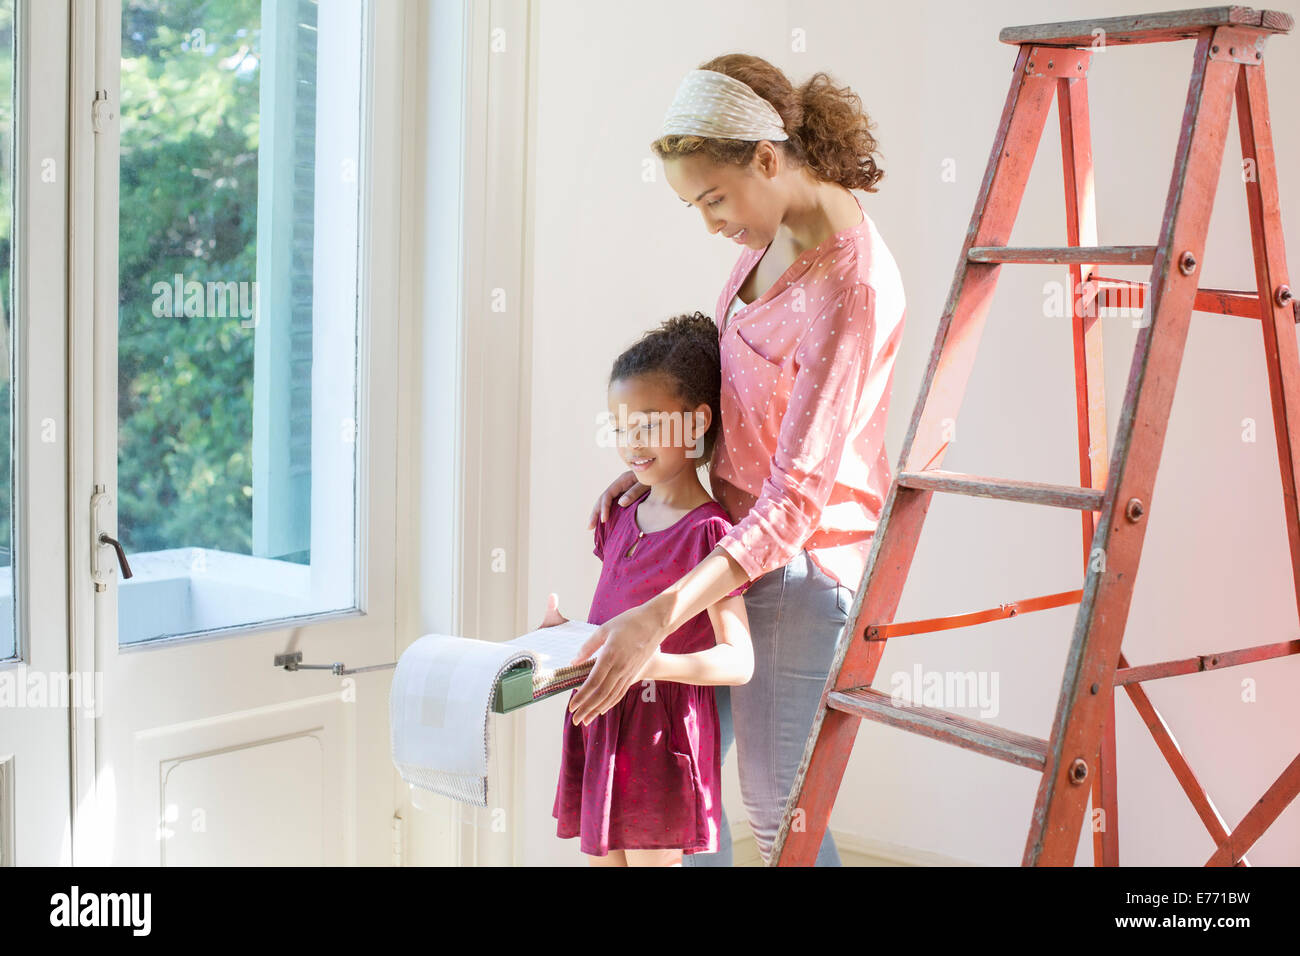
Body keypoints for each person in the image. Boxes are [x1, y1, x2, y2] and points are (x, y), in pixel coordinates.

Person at [572, 54, 907, 867]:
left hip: (799, 564)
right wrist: (667, 458)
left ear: (766, 156)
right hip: (723, 542)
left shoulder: (849, 286)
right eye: (695, 205)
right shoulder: (768, 239)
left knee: (773, 802)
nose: (710, 223)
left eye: (713, 198)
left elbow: (794, 500)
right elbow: (741, 388)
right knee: (685, 780)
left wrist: (659, 611)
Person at [545, 312, 755, 867]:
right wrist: (565, 636)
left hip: (661, 746)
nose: (630, 445)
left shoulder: (710, 533)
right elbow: (613, 621)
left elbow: (738, 662)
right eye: (620, 429)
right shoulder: (622, 516)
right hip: (605, 724)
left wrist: (651, 662)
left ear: (695, 422)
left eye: (647, 427)